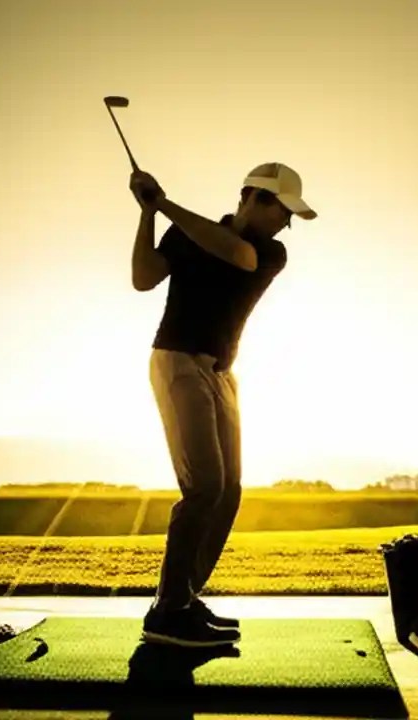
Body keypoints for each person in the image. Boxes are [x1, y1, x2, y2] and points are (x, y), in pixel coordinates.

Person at [129, 162, 317, 644]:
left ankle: (184, 598)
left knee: (229, 491)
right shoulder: (187, 232)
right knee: (204, 487)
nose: (286, 223)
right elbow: (143, 278)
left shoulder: (269, 252)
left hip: (222, 372)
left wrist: (164, 204)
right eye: (282, 210)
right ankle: (169, 611)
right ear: (254, 197)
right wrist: (149, 214)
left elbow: (235, 253)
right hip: (176, 360)